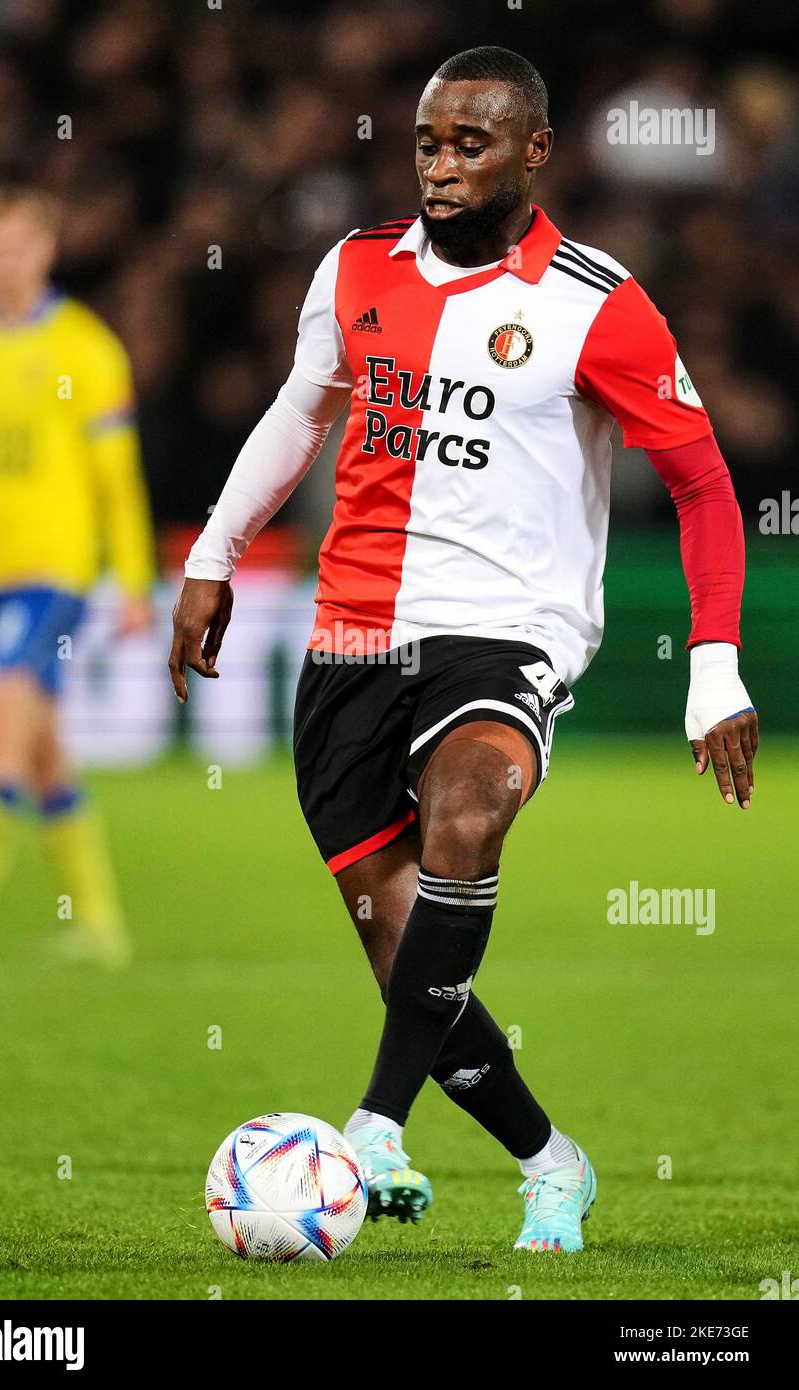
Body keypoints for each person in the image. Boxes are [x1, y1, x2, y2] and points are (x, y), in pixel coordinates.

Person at [168, 48, 757, 1253]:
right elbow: (299, 410)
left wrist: (712, 664)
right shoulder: (353, 271)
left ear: (534, 150)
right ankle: (553, 1160)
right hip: (349, 633)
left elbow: (701, 482)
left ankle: (373, 1125)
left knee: (468, 814)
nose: (439, 164)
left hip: (510, 627)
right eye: (428, 142)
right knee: (399, 942)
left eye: (468, 143)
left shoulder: (598, 303)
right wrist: (214, 556)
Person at [0, 183, 155, 965]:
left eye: (17, 245)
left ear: (46, 251)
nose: (2, 261)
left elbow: (116, 478)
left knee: (2, 723)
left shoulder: (85, 348)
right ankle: (99, 924)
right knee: (41, 750)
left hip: (61, 571)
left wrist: (133, 582)